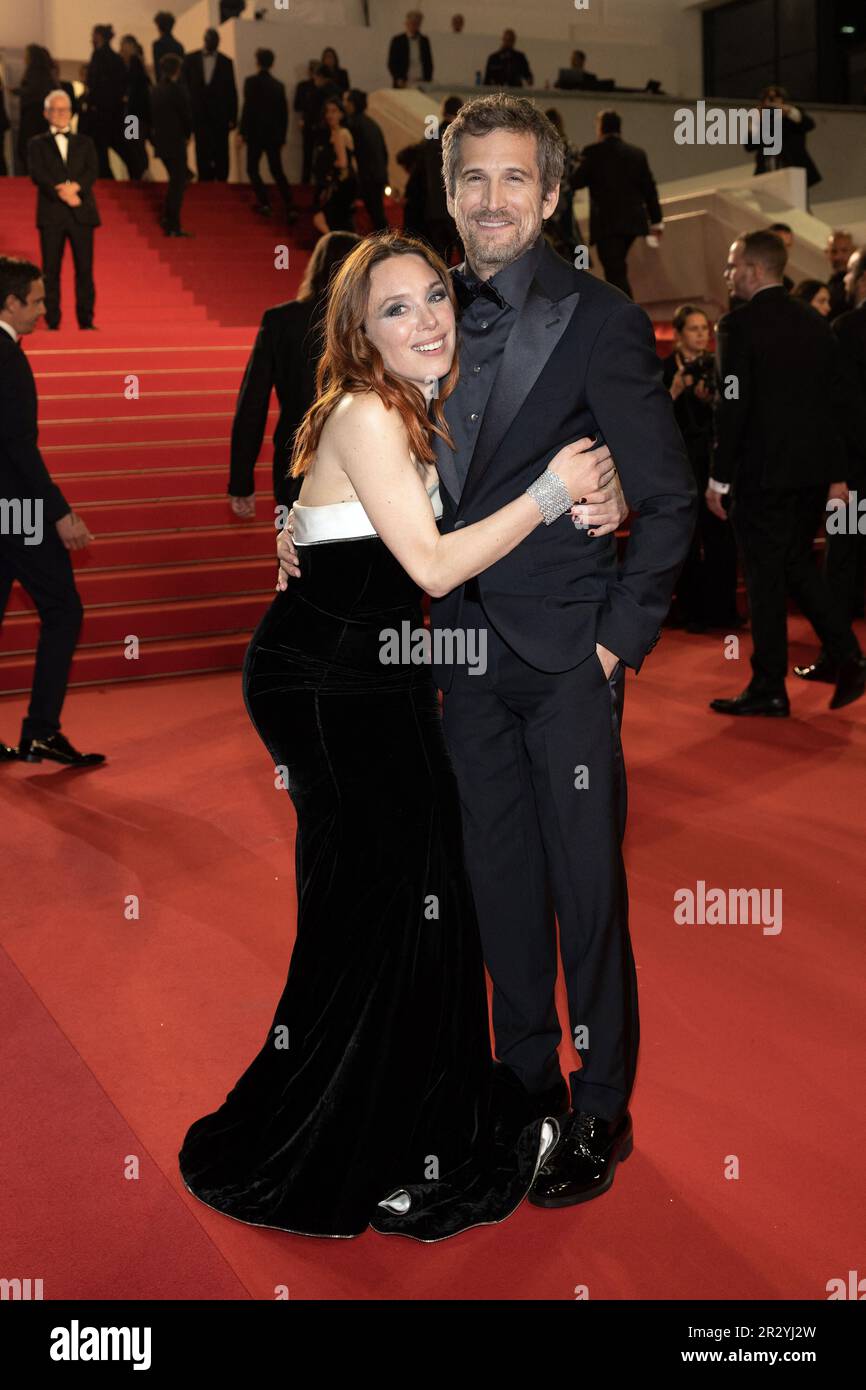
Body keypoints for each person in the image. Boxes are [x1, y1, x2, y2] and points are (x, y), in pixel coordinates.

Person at [279, 94, 697, 1208]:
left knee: (585, 890)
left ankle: (598, 1101)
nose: (493, 200)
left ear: (552, 195)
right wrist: (302, 527)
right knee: (496, 887)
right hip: (454, 661)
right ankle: (520, 1091)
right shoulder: (422, 317)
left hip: (567, 662)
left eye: (517, 179)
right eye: (473, 180)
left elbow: (663, 499)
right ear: (447, 194)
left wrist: (614, 648)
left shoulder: (599, 317)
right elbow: (364, 452)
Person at [179, 229, 622, 1239]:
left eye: (433, 296)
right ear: (358, 331)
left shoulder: (410, 404)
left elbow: (351, 517)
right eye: (396, 308)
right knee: (377, 901)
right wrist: (551, 492)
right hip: (330, 689)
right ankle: (338, 1133)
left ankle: (401, 1118)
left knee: (416, 892)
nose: (426, 318)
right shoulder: (373, 409)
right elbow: (427, 566)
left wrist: (593, 494)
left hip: (373, 677)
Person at [707, 231, 865, 716]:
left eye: (733, 265)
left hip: (762, 476)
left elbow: (731, 404)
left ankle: (771, 685)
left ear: (755, 269)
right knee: (794, 565)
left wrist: (718, 477)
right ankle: (844, 659)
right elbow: (838, 404)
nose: (728, 273)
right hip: (811, 476)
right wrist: (837, 474)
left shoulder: (738, 325)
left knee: (763, 577)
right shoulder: (818, 324)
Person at [0, 257, 103, 767]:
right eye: (37, 301)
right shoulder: (8, 358)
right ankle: (41, 730)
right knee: (64, 610)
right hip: (15, 511)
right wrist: (59, 512)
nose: (43, 310)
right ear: (11, 302)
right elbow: (18, 446)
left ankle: (39, 730)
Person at [229, 231, 360, 517]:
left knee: (292, 551)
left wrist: (241, 479)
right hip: (360, 457)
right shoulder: (366, 323)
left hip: (295, 458)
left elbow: (252, 403)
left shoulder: (280, 321)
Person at [796, 245, 866, 681]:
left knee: (840, 560)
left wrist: (835, 474)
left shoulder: (846, 329)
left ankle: (841, 656)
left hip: (854, 475)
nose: (842, 282)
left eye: (850, 275)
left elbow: (835, 409)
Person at [662, 305, 740, 631]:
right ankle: (689, 611)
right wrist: (677, 389)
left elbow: (731, 413)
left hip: (711, 459)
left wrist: (713, 399)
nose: (700, 335)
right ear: (678, 335)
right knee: (687, 538)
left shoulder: (718, 367)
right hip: (679, 462)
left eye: (703, 329)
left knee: (720, 534)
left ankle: (722, 610)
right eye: (693, 329)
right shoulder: (664, 368)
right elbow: (652, 416)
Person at [570, 109, 663, 299]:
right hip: (633, 223)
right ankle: (624, 312)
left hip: (607, 225)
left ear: (600, 128)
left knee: (615, 272)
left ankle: (626, 315)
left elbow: (575, 182)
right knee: (618, 268)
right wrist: (657, 221)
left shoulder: (593, 153)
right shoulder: (637, 154)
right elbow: (649, 189)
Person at [27, 90, 100, 330]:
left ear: (71, 113)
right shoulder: (36, 143)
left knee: (85, 269)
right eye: (55, 110)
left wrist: (76, 188)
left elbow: (92, 170)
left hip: (82, 213)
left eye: (64, 110)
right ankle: (53, 320)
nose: (60, 114)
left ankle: (86, 320)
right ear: (46, 113)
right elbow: (37, 173)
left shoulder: (85, 142)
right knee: (51, 270)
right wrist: (62, 193)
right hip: (52, 214)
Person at [238, 48, 296, 223]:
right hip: (273, 136)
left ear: (257, 62)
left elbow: (247, 109)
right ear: (272, 63)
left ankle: (265, 202)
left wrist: (242, 132)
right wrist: (282, 137)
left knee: (252, 169)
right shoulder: (278, 86)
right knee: (277, 170)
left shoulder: (250, 82)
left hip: (255, 134)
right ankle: (289, 204)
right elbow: (283, 114)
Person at [183, 28, 237, 181]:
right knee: (202, 149)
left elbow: (231, 90)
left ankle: (221, 179)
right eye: (210, 40)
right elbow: (185, 88)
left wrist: (233, 116)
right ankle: (205, 179)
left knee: (221, 149)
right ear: (204, 40)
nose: (213, 43)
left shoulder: (226, 62)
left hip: (220, 114)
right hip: (198, 113)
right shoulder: (190, 59)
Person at [14, 45, 76, 176]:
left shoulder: (33, 75)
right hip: (42, 119)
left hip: (32, 118)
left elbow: (32, 93)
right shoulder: (47, 77)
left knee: (29, 148)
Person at [745, 85, 821, 191]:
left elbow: (809, 124)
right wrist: (755, 122)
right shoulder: (763, 120)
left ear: (783, 100)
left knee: (796, 206)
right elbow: (749, 146)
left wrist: (787, 111)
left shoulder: (792, 116)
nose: (772, 101)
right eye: (768, 98)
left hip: (792, 172)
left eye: (776, 97)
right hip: (768, 173)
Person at [150, 54, 193, 236]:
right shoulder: (177, 90)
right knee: (178, 183)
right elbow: (186, 115)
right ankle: (172, 223)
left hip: (161, 142)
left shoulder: (155, 90)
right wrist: (188, 134)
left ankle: (169, 219)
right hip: (175, 142)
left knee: (177, 180)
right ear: (177, 70)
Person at [417, 94, 462, 262]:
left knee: (440, 260)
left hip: (434, 208)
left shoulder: (431, 136)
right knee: (467, 260)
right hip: (457, 209)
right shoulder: (463, 136)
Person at [81, 24, 129, 179]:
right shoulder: (117, 59)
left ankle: (107, 176)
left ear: (99, 36)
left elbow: (95, 83)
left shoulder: (99, 56)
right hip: (119, 112)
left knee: (102, 146)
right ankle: (136, 171)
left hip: (103, 111)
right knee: (121, 144)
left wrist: (91, 102)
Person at [343, 89, 388, 232]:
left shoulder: (353, 124)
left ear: (352, 104)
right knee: (377, 213)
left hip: (367, 176)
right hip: (378, 174)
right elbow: (384, 152)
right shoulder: (372, 124)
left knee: (376, 214)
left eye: (346, 101)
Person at [311, 97, 357, 235]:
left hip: (341, 184)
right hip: (346, 182)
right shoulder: (342, 132)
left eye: (334, 111)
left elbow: (342, 162)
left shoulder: (339, 133)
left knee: (322, 219)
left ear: (342, 114)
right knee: (339, 221)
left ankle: (334, 242)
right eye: (327, 111)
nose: (330, 115)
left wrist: (329, 165)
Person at [544, 106, 582, 253]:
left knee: (551, 233)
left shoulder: (544, 147)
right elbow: (579, 165)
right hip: (566, 193)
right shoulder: (569, 145)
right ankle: (582, 264)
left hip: (549, 194)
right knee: (573, 232)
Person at [120, 35, 152, 180]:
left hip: (133, 114)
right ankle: (141, 171)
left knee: (134, 143)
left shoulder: (134, 63)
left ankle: (141, 172)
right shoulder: (137, 64)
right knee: (135, 143)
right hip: (137, 114)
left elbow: (134, 89)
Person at [388, 10, 433, 89]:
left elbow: (428, 61)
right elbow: (392, 62)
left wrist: (428, 79)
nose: (414, 25)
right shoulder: (397, 40)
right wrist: (398, 78)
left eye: (417, 23)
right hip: (403, 82)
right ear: (406, 23)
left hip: (421, 82)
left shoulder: (424, 40)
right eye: (412, 22)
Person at [293, 60, 320, 184]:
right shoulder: (304, 87)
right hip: (309, 124)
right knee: (307, 156)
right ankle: (306, 182)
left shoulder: (321, 88)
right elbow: (298, 105)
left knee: (319, 156)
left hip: (320, 125)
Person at [825, 230, 855, 321]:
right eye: (833, 251)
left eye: (844, 250)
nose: (838, 257)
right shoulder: (832, 282)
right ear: (827, 253)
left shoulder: (857, 283)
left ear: (853, 251)